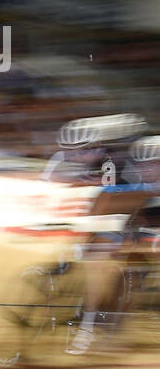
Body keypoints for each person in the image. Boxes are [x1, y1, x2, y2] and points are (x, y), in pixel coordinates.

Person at [67, 133, 160, 355]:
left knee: (133, 271)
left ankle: (113, 332)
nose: (147, 169)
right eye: (143, 164)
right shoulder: (136, 181)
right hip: (143, 223)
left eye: (153, 164)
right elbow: (117, 211)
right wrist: (92, 239)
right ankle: (90, 326)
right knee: (109, 265)